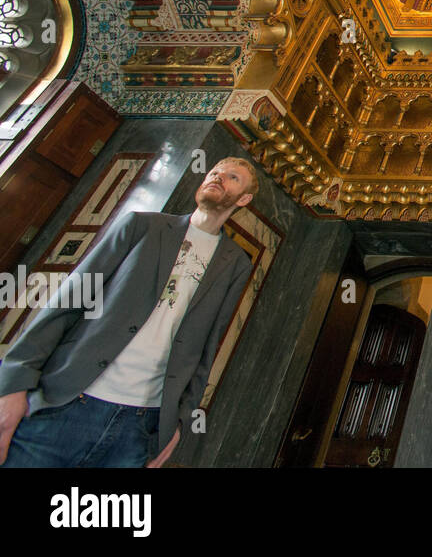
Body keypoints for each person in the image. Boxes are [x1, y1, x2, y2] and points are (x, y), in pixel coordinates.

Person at [0, 158, 257, 467]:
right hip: (67, 402)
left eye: (232, 177)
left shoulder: (236, 264)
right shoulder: (140, 226)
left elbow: (206, 349)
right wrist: (13, 383)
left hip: (138, 428)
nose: (217, 178)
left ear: (244, 199)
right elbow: (69, 300)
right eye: (214, 172)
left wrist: (178, 425)